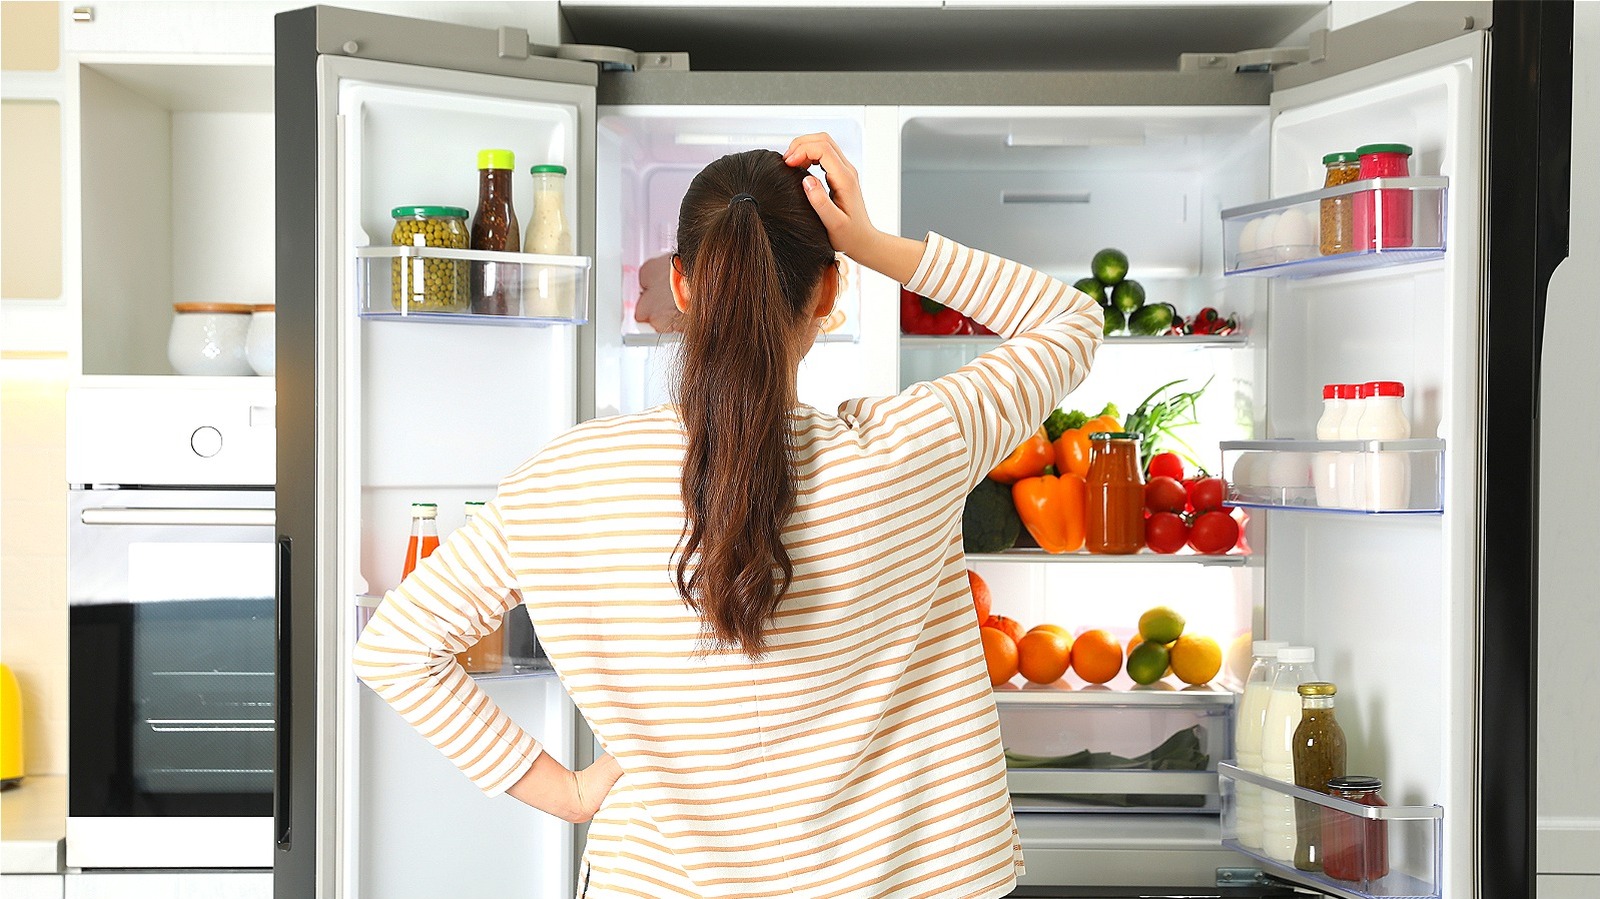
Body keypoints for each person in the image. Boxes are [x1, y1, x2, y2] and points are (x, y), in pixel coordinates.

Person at [353, 133, 1103, 899]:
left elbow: (397, 650)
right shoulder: (913, 449)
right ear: (828, 293)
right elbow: (1070, 323)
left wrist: (571, 794)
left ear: (681, 286)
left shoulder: (566, 479)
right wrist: (871, 241)